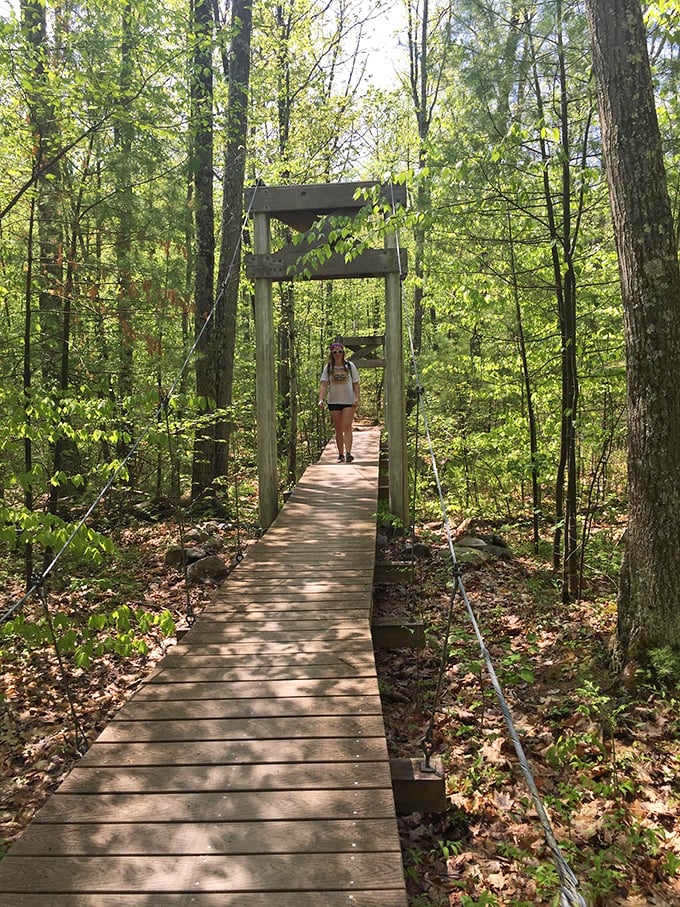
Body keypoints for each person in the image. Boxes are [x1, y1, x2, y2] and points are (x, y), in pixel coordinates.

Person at [318, 340, 360, 462]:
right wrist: (321, 399)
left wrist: (357, 398)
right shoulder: (328, 368)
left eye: (340, 351)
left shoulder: (350, 366)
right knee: (338, 429)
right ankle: (340, 454)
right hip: (333, 401)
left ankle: (348, 453)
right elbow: (324, 384)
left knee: (347, 426)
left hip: (349, 400)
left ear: (343, 353)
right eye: (335, 352)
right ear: (332, 353)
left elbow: (356, 384)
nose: (338, 354)